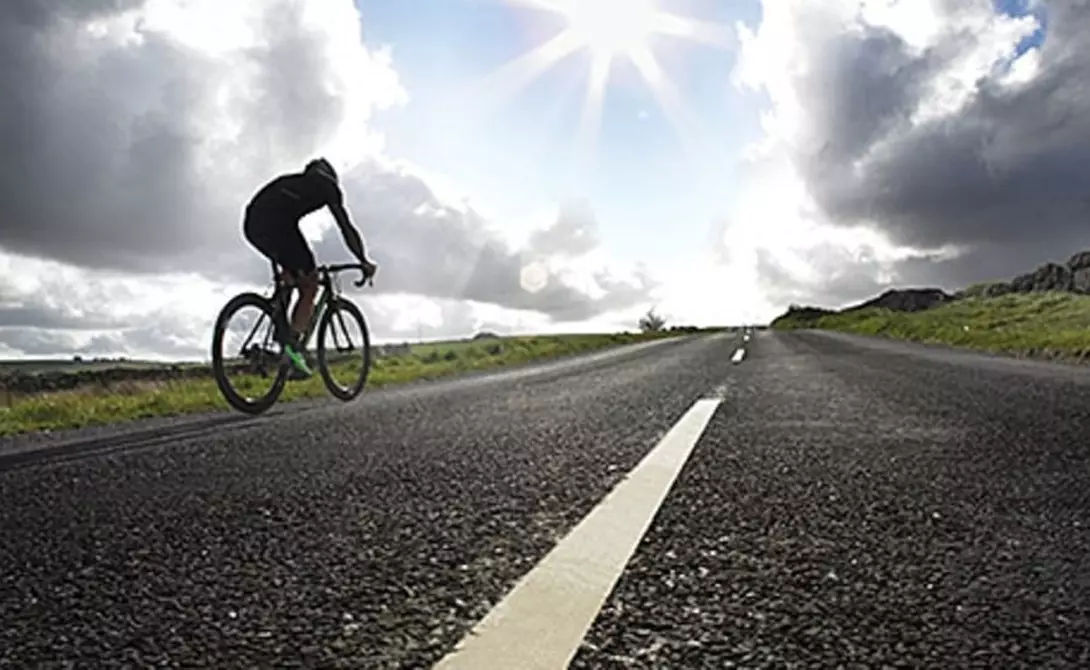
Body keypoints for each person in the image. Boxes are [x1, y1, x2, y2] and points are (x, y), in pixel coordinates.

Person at [242, 157, 377, 379]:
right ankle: (293, 350)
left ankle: (280, 330)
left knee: (291, 274)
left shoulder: (296, 181)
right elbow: (346, 228)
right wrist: (363, 259)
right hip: (279, 223)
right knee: (310, 284)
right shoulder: (328, 187)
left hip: (252, 223)